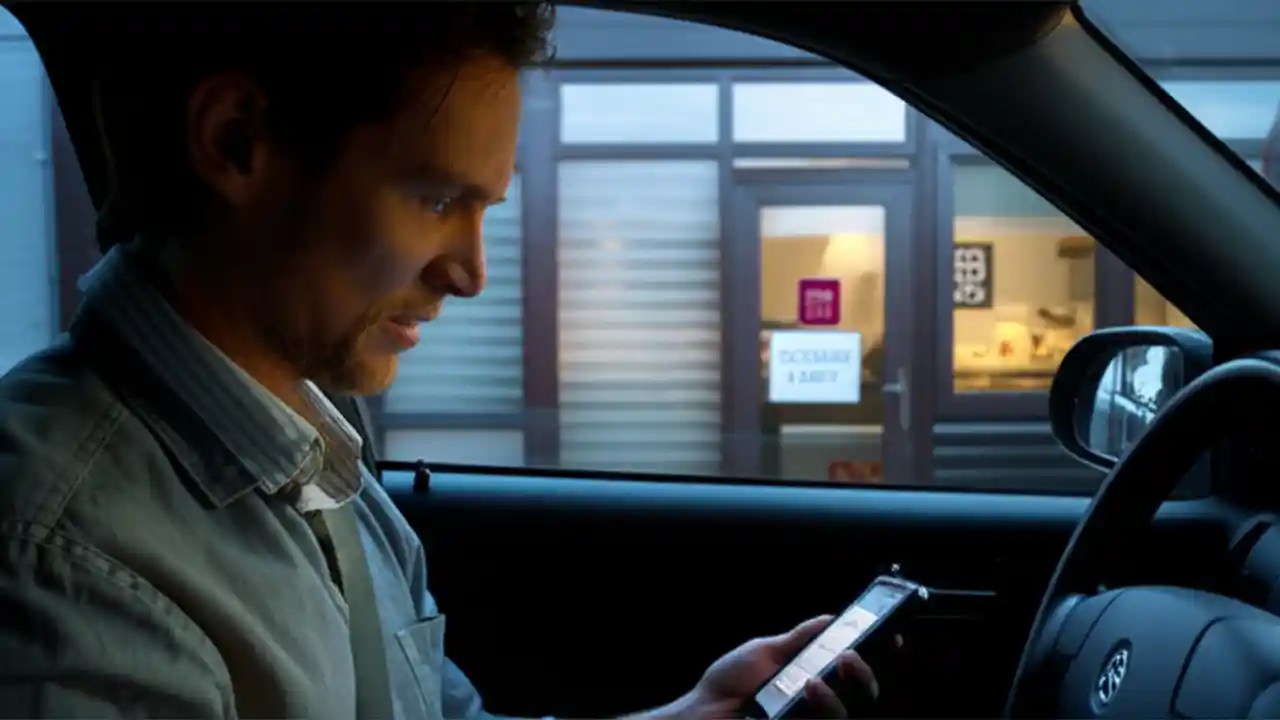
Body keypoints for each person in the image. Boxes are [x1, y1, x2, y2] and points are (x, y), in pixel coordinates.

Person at [0, 3, 880, 718]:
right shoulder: (64, 564)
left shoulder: (316, 451)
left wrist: (683, 718)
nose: (470, 273)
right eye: (434, 199)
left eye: (485, 208)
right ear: (236, 143)